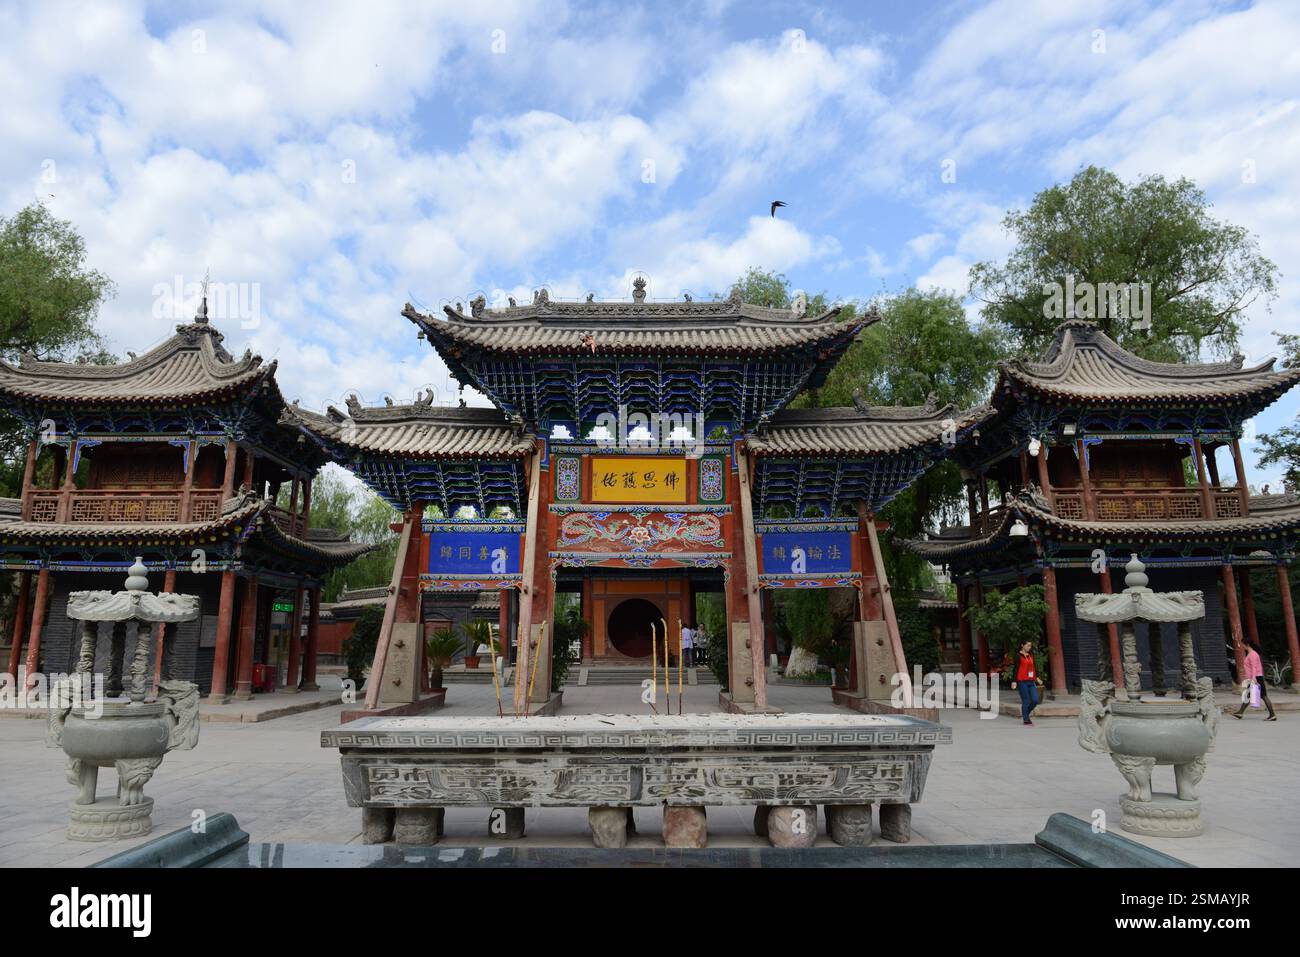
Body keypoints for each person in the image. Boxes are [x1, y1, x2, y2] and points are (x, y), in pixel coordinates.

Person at [1233, 641, 1277, 721]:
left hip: (1256, 678)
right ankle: (1240, 712)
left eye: (1243, 644)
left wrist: (1253, 678)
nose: (1242, 646)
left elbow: (1254, 667)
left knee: (1263, 696)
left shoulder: (1252, 654)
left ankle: (1272, 715)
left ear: (1247, 644)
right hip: (1255, 677)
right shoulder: (1251, 654)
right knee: (1250, 696)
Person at [1009, 641, 1039, 726]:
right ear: (1022, 645)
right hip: (1022, 681)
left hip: (1031, 681)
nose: (1029, 647)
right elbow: (1016, 669)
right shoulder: (1018, 656)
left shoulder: (1031, 655)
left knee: (1035, 700)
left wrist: (1037, 677)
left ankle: (1025, 713)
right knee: (1026, 701)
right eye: (1028, 645)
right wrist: (1013, 681)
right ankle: (1026, 719)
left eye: (1030, 646)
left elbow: (1034, 667)